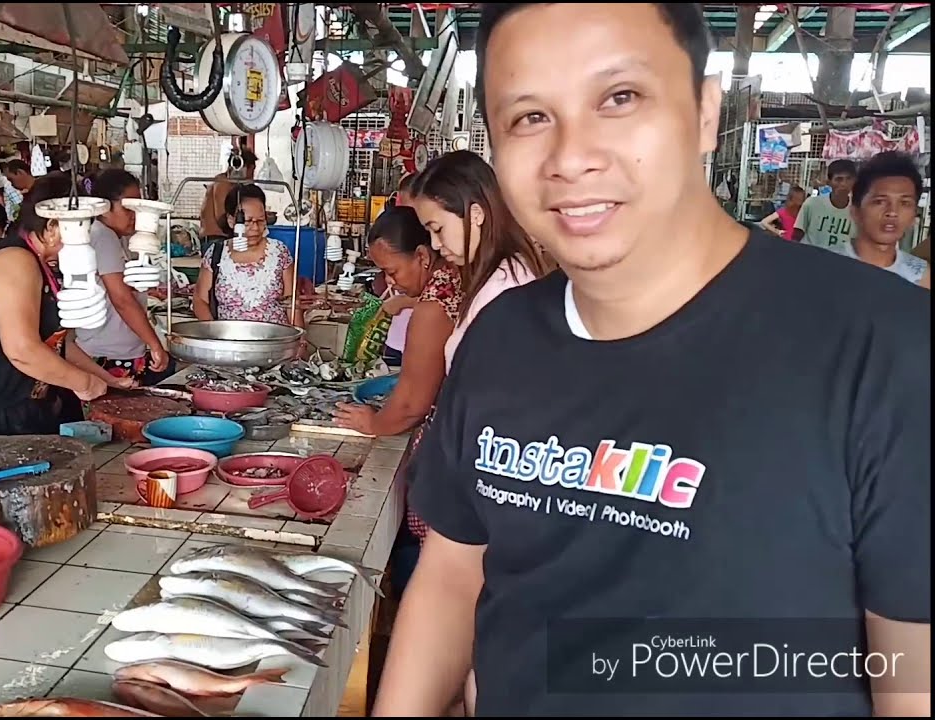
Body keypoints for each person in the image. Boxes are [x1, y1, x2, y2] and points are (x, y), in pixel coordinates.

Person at [374, 4, 929, 719]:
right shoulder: (500, 339)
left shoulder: (885, 348)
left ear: (704, 112)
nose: (571, 156)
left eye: (620, 98)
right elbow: (452, 574)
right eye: (529, 117)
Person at [0, 173, 133, 438]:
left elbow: (59, 345)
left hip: (18, 403)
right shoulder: (16, 261)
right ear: (49, 227)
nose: (83, 240)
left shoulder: (43, 266)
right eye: (77, 230)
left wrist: (105, 379)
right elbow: (22, 350)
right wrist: (83, 383)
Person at [410, 149, 552, 370]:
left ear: (476, 214)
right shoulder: (500, 276)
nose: (435, 244)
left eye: (438, 229)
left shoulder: (505, 287)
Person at [333, 207, 457, 438]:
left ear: (422, 256)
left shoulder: (433, 306)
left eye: (392, 271)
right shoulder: (453, 277)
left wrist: (375, 424)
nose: (390, 282)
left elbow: (412, 406)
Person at [72, 168, 173, 383]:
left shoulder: (122, 238)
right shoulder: (103, 236)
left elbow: (128, 287)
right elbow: (122, 299)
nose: (135, 216)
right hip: (108, 353)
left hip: (118, 348)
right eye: (129, 209)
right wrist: (154, 344)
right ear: (105, 208)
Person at [193, 183, 302, 326]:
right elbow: (200, 300)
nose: (255, 228)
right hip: (229, 341)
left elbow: (291, 302)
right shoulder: (216, 254)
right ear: (232, 221)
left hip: (274, 341)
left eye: (261, 221)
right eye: (248, 221)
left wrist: (300, 339)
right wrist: (214, 332)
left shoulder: (279, 252)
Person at [830, 151, 929, 289]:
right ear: (855, 211)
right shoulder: (825, 267)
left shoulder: (921, 278)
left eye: (905, 203)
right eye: (880, 202)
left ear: (913, 216)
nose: (892, 212)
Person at [381, 174, 419, 365]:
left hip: (421, 345)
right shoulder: (404, 233)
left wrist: (404, 301)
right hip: (396, 340)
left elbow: (450, 298)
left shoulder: (441, 244)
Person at [199, 146, 257, 245]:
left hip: (224, 237)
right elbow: (222, 217)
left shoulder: (234, 184)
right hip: (217, 239)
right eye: (252, 169)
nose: (253, 174)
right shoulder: (222, 183)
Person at [794, 159, 857, 250]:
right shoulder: (812, 204)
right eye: (839, 179)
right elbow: (797, 235)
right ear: (829, 183)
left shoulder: (859, 212)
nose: (844, 184)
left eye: (848, 179)